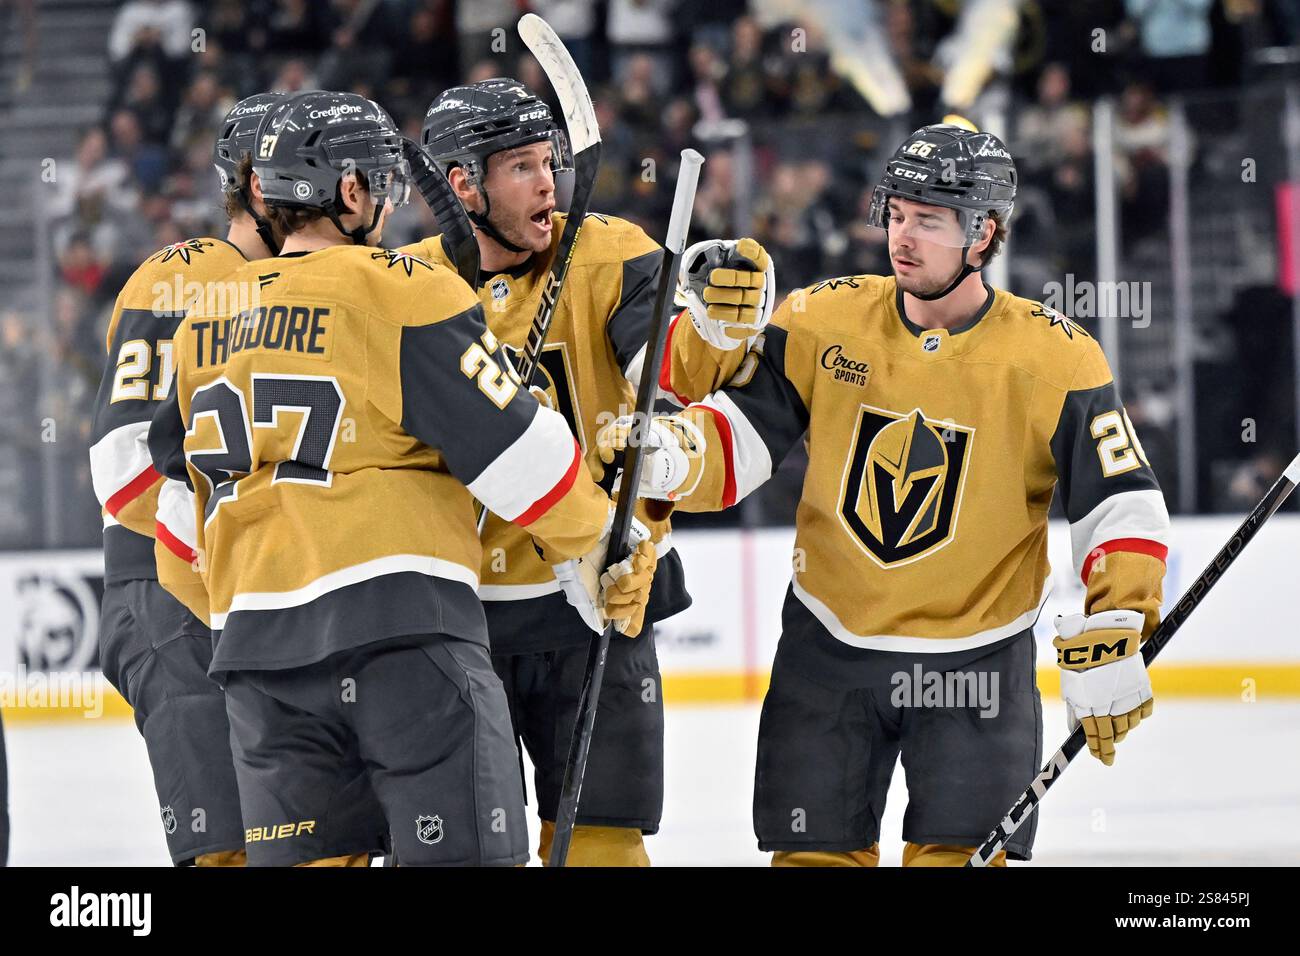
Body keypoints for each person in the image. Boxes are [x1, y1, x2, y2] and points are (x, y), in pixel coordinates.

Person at [598, 123, 1171, 866]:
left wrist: (1121, 612)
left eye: (928, 220)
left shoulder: (1053, 356)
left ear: (983, 233)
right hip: (827, 654)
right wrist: (671, 456)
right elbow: (740, 439)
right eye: (896, 214)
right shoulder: (820, 320)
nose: (903, 236)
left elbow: (1118, 499)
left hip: (976, 663)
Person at [148, 89, 656, 867]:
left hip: (259, 668)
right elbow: (526, 463)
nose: (387, 199)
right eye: (379, 182)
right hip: (406, 642)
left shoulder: (202, 323)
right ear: (349, 191)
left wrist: (245, 615)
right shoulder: (399, 291)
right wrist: (601, 550)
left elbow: (176, 530)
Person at [407, 77, 774, 865]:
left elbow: (666, 375)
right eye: (519, 168)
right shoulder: (405, 287)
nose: (548, 183)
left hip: (600, 593)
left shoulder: (609, 254)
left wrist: (720, 323)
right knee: (462, 847)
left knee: (602, 846)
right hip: (454, 618)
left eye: (549, 162)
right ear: (460, 183)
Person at [86, 92, 283, 867]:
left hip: (254, 593)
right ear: (264, 188)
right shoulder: (189, 274)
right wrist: (220, 556)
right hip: (171, 597)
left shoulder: (318, 290)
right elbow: (124, 464)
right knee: (228, 851)